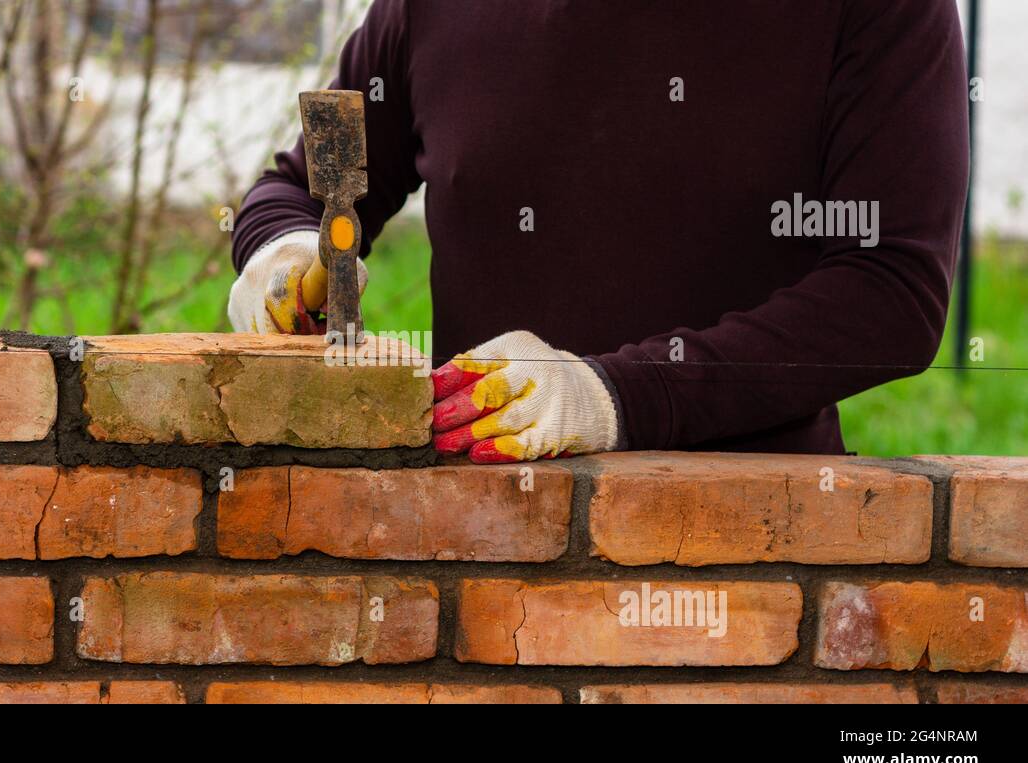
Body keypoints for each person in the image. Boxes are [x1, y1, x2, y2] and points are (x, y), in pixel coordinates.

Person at [228, 0, 970, 463]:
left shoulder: (877, 10)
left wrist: (610, 398)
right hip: (474, 559)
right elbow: (302, 184)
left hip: (754, 565)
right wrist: (281, 250)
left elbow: (893, 292)